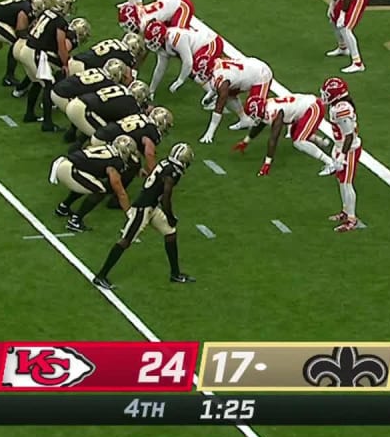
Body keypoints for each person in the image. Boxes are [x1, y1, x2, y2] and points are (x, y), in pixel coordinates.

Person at [92, 143, 197, 289]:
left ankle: (175, 274)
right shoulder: (173, 171)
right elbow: (166, 197)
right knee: (125, 241)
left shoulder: (166, 163)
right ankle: (101, 276)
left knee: (170, 233)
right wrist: (170, 216)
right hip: (143, 208)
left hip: (151, 206)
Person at [234, 94, 337, 176]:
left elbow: (274, 138)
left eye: (254, 115)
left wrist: (267, 163)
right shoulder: (267, 108)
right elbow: (260, 125)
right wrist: (246, 141)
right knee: (294, 134)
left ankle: (330, 163)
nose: (254, 118)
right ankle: (320, 141)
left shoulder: (275, 111)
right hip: (304, 108)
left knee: (299, 142)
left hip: (313, 107)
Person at [194, 54, 272, 144]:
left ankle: (285, 116)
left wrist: (210, 131)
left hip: (261, 74)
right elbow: (219, 85)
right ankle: (244, 120)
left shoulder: (220, 77)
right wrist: (210, 95)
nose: (199, 74)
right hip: (249, 68)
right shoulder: (216, 63)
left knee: (255, 110)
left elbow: (220, 102)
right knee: (228, 95)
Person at [321, 77, 363, 232]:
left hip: (349, 149)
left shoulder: (342, 109)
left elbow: (350, 135)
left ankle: (352, 219)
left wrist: (342, 156)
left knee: (347, 182)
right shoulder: (337, 106)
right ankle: (345, 211)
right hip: (340, 147)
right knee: (341, 181)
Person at [143, 21, 224, 97]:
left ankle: (216, 95)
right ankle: (213, 94)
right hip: (199, 50)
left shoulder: (175, 39)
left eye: (153, 41)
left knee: (199, 69)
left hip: (211, 43)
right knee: (193, 71)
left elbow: (188, 62)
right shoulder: (163, 46)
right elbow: (160, 68)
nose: (152, 44)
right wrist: (151, 90)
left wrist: (180, 80)